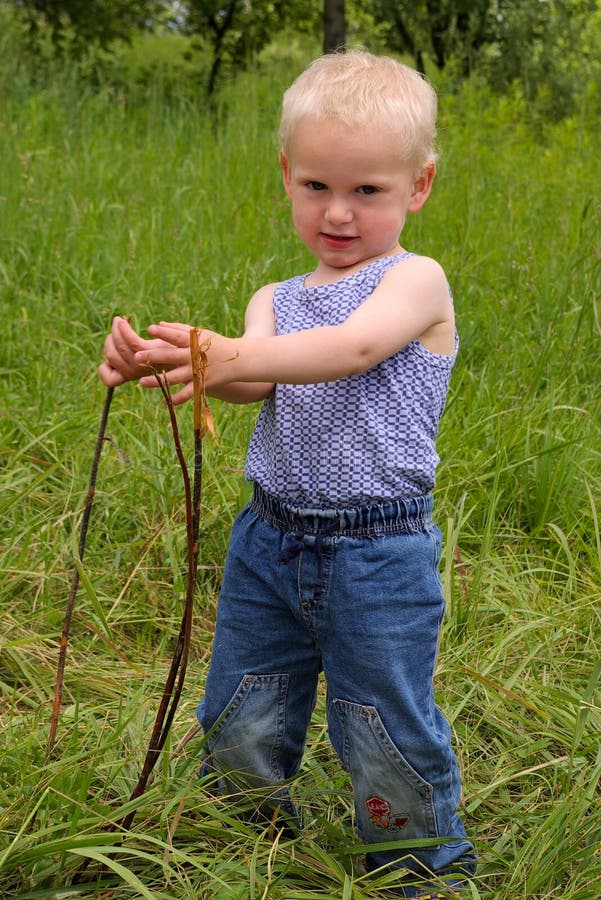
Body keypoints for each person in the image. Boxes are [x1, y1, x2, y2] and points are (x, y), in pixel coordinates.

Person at [99, 49, 477, 898]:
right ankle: (243, 836)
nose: (338, 212)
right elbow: (253, 380)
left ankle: (419, 867)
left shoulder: (415, 281)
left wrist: (224, 352)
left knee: (380, 719)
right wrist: (170, 360)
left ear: (417, 186)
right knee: (244, 700)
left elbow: (352, 349)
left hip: (378, 554)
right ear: (285, 176)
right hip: (268, 541)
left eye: (367, 190)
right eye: (316, 186)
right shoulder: (275, 298)